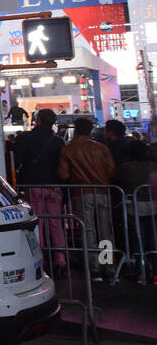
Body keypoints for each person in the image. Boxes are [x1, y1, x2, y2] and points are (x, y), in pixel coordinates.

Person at [58, 117, 118, 281]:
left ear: (75, 130)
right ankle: (108, 266)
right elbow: (112, 171)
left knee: (89, 230)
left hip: (82, 192)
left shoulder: (68, 150)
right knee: (105, 229)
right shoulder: (102, 148)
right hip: (103, 191)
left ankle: (94, 268)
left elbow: (63, 174)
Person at [14, 108, 67, 272]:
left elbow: (16, 162)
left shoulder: (24, 139)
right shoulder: (58, 142)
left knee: (38, 224)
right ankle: (60, 260)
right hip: (54, 187)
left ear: (37, 121)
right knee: (56, 223)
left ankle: (40, 259)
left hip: (33, 185)